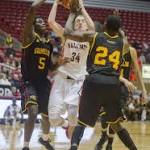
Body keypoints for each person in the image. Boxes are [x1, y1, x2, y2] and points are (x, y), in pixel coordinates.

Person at [67, 15, 138, 150]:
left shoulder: (94, 37)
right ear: (118, 29)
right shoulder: (124, 44)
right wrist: (118, 28)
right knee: (116, 125)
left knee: (81, 123)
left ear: (105, 25)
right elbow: (121, 36)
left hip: (94, 81)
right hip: (112, 84)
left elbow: (71, 34)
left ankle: (74, 147)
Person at [47, 0, 95, 139]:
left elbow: (93, 28)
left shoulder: (89, 38)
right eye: (77, 21)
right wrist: (56, 3)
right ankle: (65, 123)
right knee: (54, 119)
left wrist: (82, 8)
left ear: (86, 25)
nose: (80, 22)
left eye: (82, 21)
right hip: (61, 78)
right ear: (73, 24)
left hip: (77, 80)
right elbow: (50, 22)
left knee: (74, 113)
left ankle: (72, 145)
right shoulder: (66, 34)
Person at [20, 0, 61, 149]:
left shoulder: (48, 44)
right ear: (33, 26)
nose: (43, 23)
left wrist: (61, 63)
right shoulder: (29, 37)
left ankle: (44, 139)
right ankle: (25, 146)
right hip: (29, 82)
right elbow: (32, 10)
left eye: (43, 22)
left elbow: (50, 66)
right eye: (39, 22)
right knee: (33, 111)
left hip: (43, 83)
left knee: (46, 114)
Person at [95, 41, 147, 150]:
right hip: (109, 84)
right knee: (105, 115)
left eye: (124, 37)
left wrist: (144, 91)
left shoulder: (131, 51)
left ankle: (109, 143)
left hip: (123, 88)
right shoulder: (110, 49)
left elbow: (137, 72)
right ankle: (104, 136)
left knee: (115, 118)